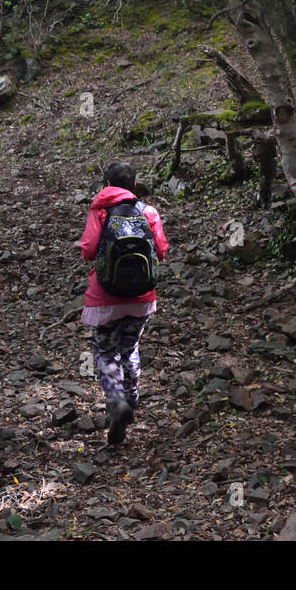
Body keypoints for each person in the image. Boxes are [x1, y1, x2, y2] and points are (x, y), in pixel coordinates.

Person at [78, 161, 169, 445]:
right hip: (141, 297)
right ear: (133, 184)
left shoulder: (100, 210)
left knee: (106, 351)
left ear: (107, 184)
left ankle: (116, 400)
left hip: (104, 298)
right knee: (130, 347)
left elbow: (88, 251)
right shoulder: (148, 212)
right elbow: (162, 251)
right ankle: (131, 399)